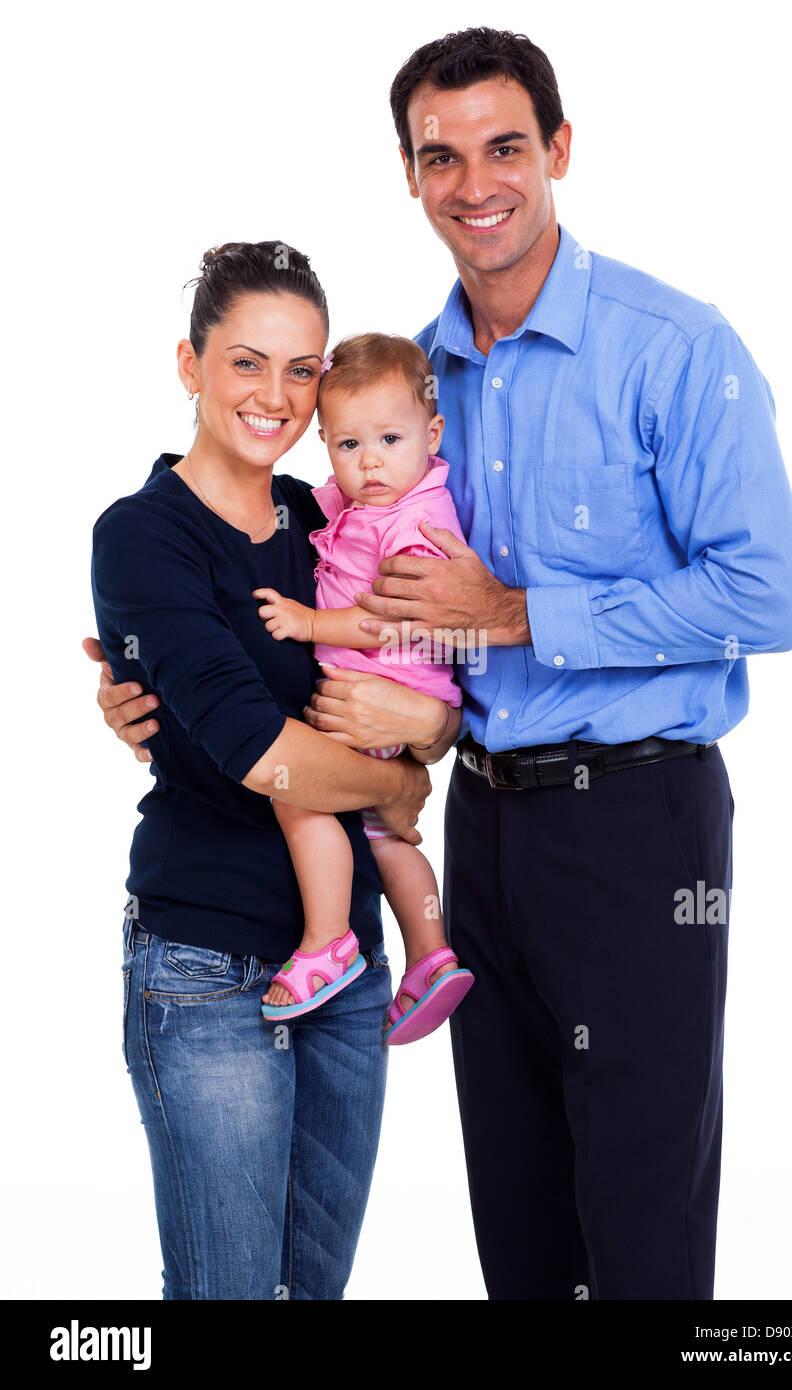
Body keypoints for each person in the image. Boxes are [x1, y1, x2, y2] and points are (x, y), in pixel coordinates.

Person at [88, 27, 792, 1301]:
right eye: (440, 154)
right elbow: (293, 599)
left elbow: (765, 593)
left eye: (504, 146)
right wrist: (153, 693)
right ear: (410, 175)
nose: (475, 181)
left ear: (559, 151)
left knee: (641, 1231)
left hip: (637, 821)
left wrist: (517, 612)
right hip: (476, 822)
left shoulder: (674, 346)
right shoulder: (411, 380)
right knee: (519, 1229)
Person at [88, 240, 454, 1300]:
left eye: (302, 370)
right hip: (207, 967)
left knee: (310, 1292)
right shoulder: (143, 536)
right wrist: (391, 785)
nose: (276, 396)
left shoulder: (321, 515)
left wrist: (423, 726)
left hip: (341, 967)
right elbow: (259, 753)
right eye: (247, 362)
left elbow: (419, 659)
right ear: (189, 364)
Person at [254, 332, 474, 1043]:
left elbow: (388, 623)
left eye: (388, 438)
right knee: (385, 833)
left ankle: (328, 940)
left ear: (431, 433)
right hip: (384, 699)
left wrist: (307, 620)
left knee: (299, 792)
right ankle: (431, 955)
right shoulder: (359, 502)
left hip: (383, 690)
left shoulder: (418, 519)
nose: (370, 461)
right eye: (347, 445)